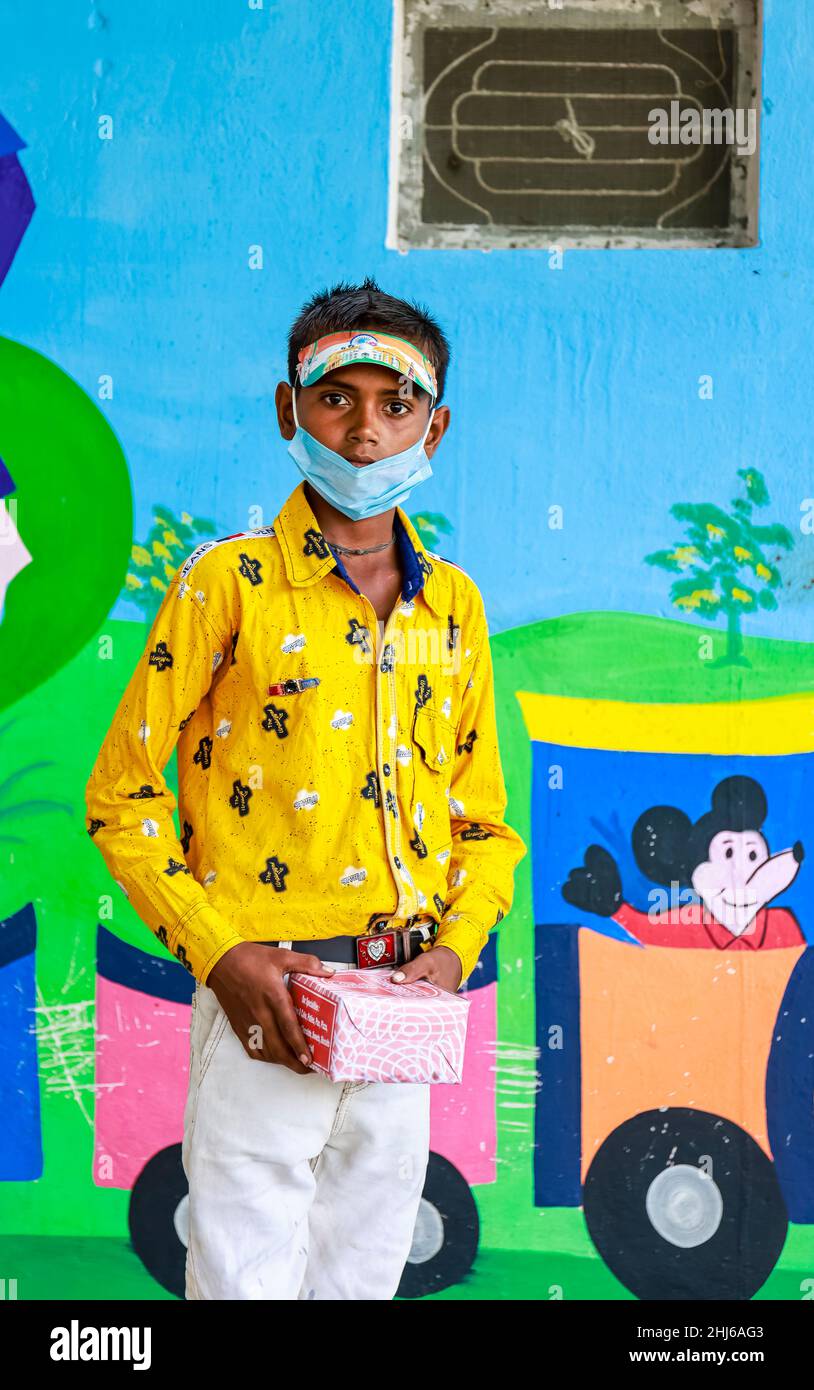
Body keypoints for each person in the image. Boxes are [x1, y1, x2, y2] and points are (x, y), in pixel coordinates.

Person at [85, 275, 527, 1300]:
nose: (366, 431)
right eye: (336, 398)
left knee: (363, 1274)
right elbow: (123, 796)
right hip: (263, 1000)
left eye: (397, 404)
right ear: (289, 409)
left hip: (402, 1008)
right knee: (241, 1275)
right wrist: (220, 952)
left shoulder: (454, 607)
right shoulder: (225, 584)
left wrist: (453, 953)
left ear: (436, 424)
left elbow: (486, 824)